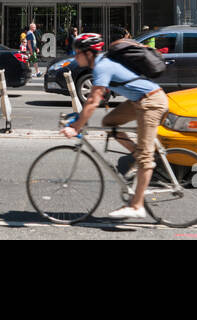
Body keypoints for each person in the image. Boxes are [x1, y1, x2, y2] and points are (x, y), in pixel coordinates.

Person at [61, 28, 169, 223]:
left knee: (146, 157)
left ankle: (137, 206)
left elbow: (94, 100)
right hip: (139, 100)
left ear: (88, 53)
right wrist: (79, 119)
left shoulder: (102, 66)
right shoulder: (101, 65)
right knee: (109, 122)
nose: (76, 57)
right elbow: (97, 98)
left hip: (152, 102)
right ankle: (137, 154)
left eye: (77, 53)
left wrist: (76, 127)